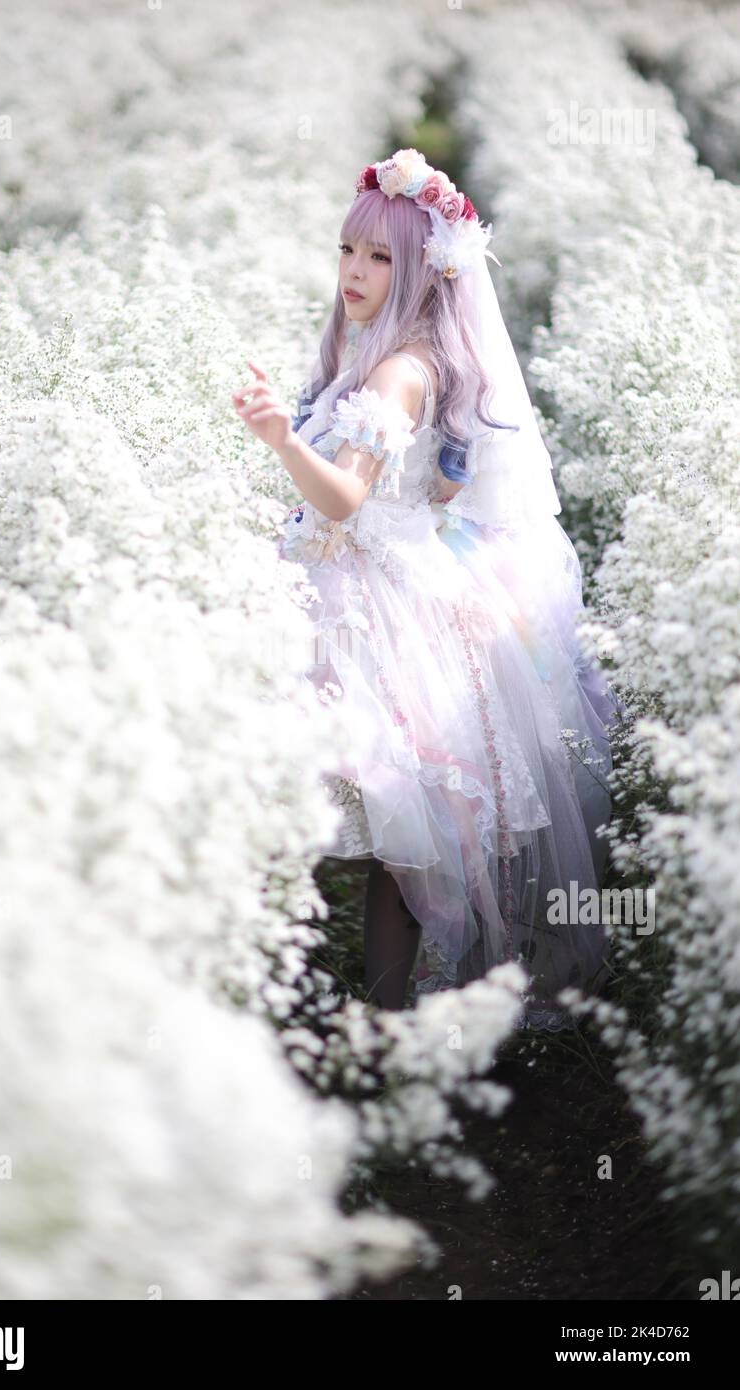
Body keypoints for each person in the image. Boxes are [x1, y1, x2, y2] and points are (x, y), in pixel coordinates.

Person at [232, 148, 623, 1029]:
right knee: (394, 837)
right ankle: (370, 1011)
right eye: (347, 251)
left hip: (383, 609)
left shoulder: (396, 369)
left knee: (400, 830)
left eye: (379, 258)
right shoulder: (385, 353)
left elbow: (347, 494)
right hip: (376, 581)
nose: (354, 273)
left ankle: (370, 1017)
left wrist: (280, 442)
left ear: (420, 273)